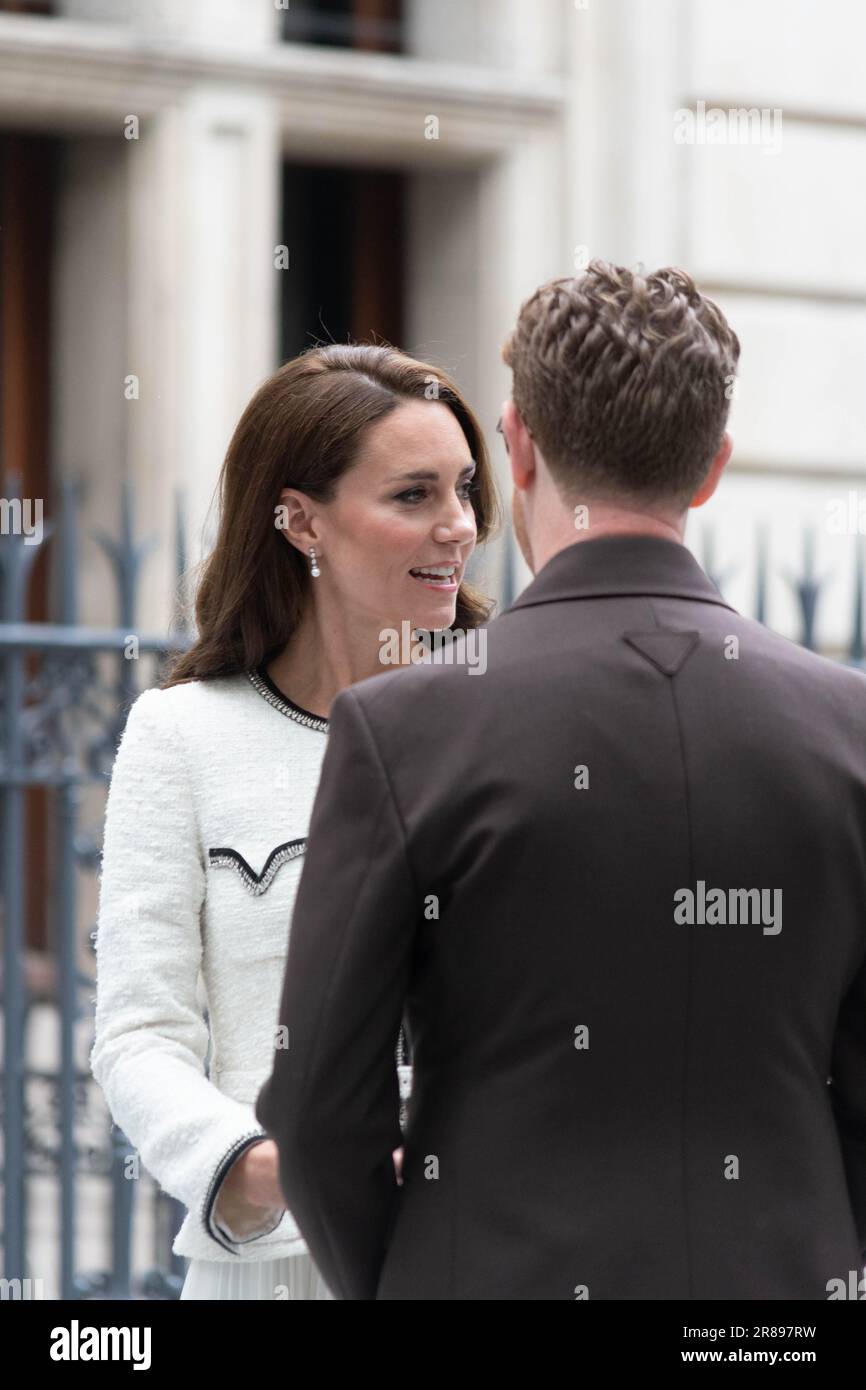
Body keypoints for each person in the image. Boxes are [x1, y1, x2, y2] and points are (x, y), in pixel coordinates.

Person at [256, 261, 866, 1300]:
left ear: (519, 443)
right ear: (711, 466)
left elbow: (318, 1107)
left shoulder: (405, 726)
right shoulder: (847, 729)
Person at [90, 343, 498, 1300]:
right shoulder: (182, 734)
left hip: (481, 1254)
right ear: (300, 520)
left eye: (466, 490)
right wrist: (261, 1170)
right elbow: (139, 1034)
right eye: (413, 496)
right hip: (269, 1274)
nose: (458, 529)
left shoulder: (510, 721)